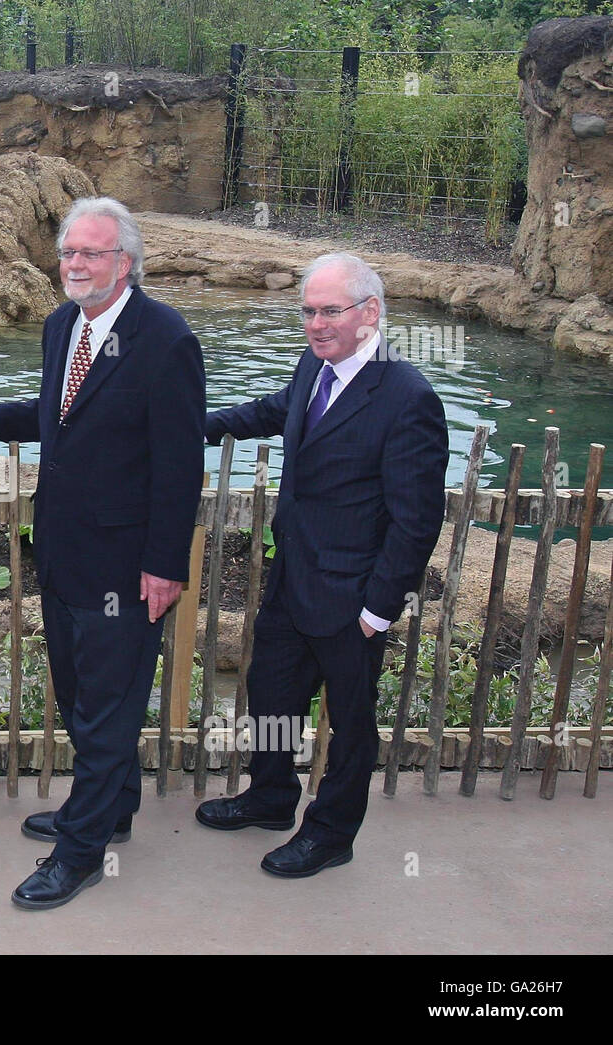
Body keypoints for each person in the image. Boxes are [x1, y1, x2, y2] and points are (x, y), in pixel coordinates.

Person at [0, 197, 206, 909]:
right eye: (69, 252)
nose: (75, 263)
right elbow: (58, 413)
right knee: (85, 699)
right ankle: (111, 810)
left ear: (126, 262)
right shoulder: (62, 326)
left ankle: (79, 851)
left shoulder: (165, 339)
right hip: (63, 552)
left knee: (106, 712)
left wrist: (166, 564)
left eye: (92, 253)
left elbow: (179, 466)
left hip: (125, 567)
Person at [197, 252, 449, 877]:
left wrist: (378, 609)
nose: (314, 324)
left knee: (351, 725)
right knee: (273, 695)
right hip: (293, 580)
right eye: (307, 311)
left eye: (329, 311)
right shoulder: (315, 365)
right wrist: (190, 427)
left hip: (353, 597)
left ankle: (333, 832)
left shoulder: (407, 396)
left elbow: (416, 520)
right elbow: (273, 411)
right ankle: (272, 796)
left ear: (371, 313)